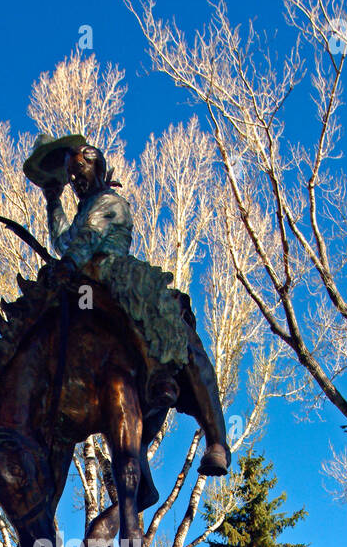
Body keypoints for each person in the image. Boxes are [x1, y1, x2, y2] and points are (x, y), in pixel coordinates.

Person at [24, 135, 230, 476]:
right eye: (70, 175)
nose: (74, 179)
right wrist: (52, 203)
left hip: (115, 275)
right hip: (84, 281)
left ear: (98, 167)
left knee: (172, 326)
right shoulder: (81, 210)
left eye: (79, 170)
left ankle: (213, 435)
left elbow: (85, 241)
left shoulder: (109, 201)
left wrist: (69, 264)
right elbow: (65, 242)